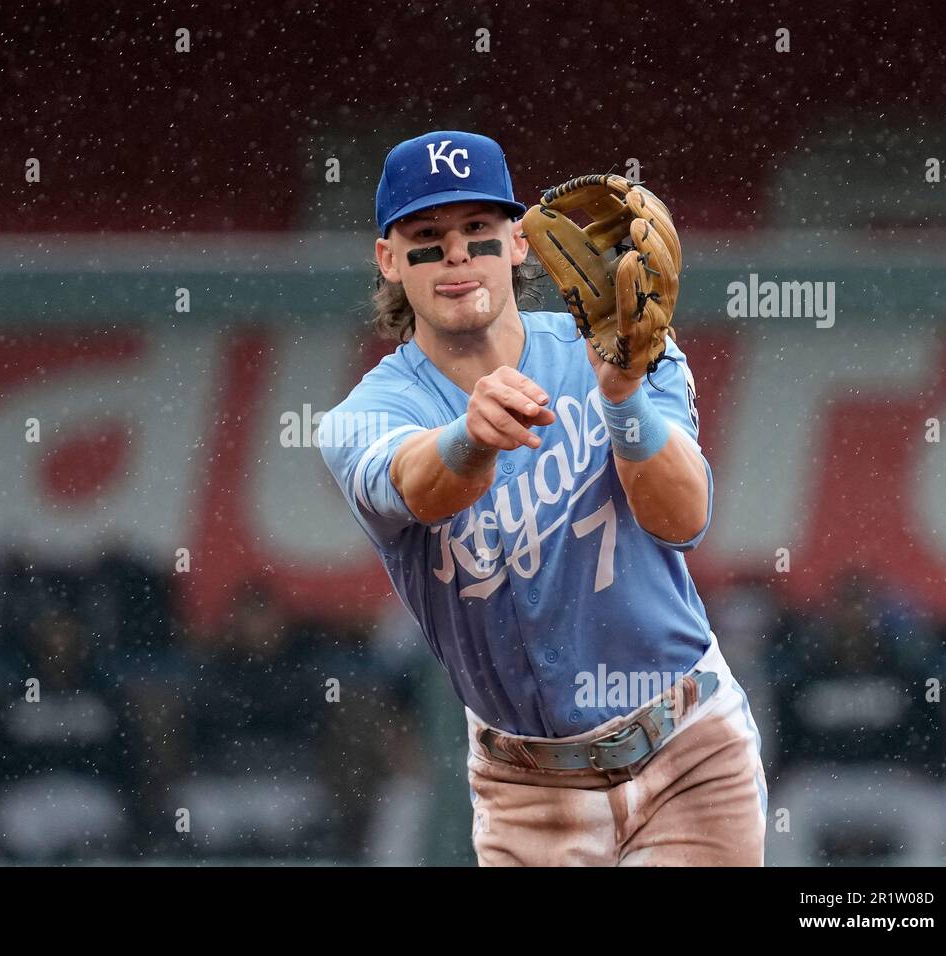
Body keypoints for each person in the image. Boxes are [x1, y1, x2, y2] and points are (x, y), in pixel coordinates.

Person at [318, 130, 768, 866]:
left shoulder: (620, 340)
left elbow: (684, 519)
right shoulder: (366, 414)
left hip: (688, 753)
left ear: (518, 243)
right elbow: (418, 485)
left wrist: (622, 397)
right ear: (388, 260)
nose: (457, 254)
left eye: (478, 232)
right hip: (530, 793)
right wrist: (470, 436)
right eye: (427, 236)